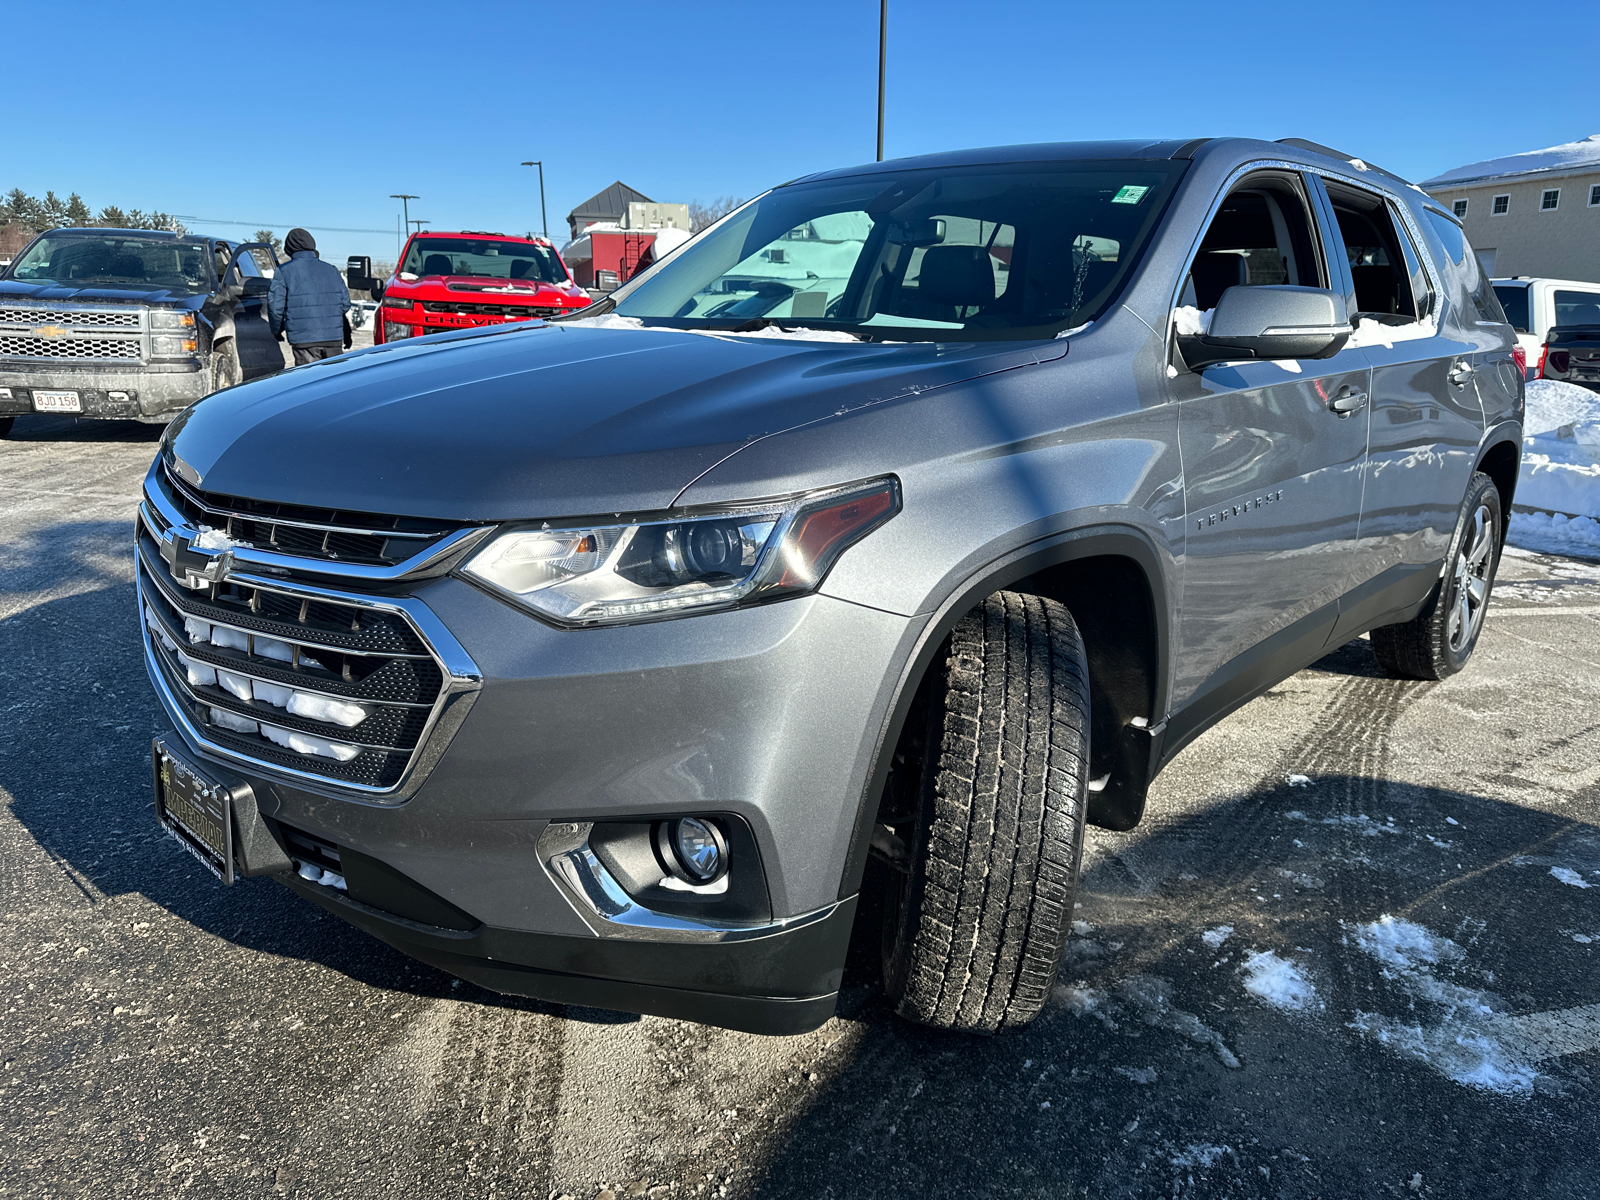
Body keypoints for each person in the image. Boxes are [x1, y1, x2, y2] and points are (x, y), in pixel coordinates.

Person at [268, 228, 352, 365]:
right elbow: (345, 304)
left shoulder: (283, 271)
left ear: (289, 248)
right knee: (335, 382)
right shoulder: (332, 270)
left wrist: (276, 330)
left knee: (309, 382)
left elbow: (275, 307)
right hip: (333, 339)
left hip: (303, 341)